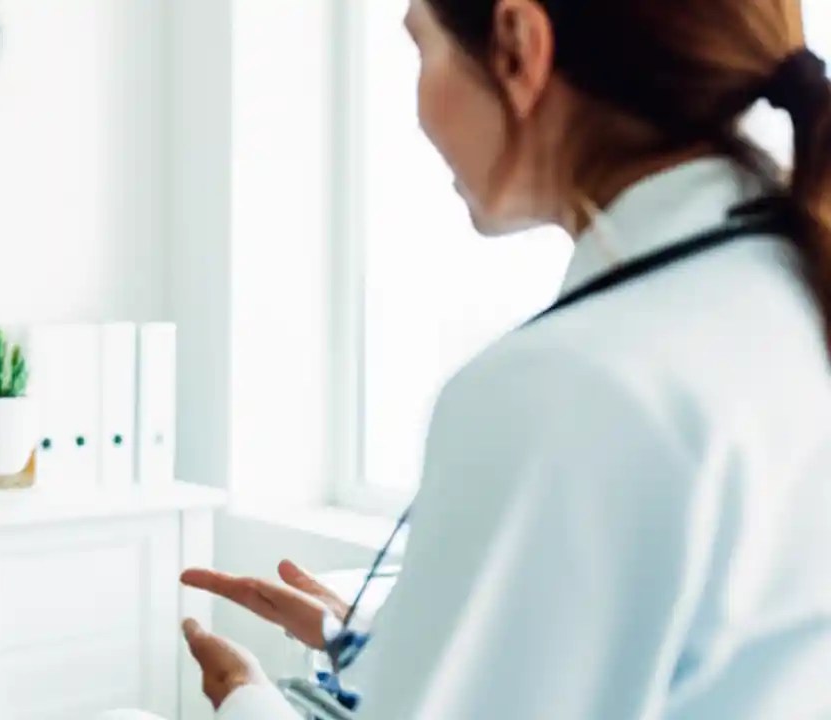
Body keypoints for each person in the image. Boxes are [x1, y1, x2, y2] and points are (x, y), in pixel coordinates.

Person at [173, 0, 831, 717]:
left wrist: (246, 700)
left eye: (420, 49)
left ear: (518, 47)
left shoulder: (568, 388)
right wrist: (384, 642)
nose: (418, 113)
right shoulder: (785, 297)